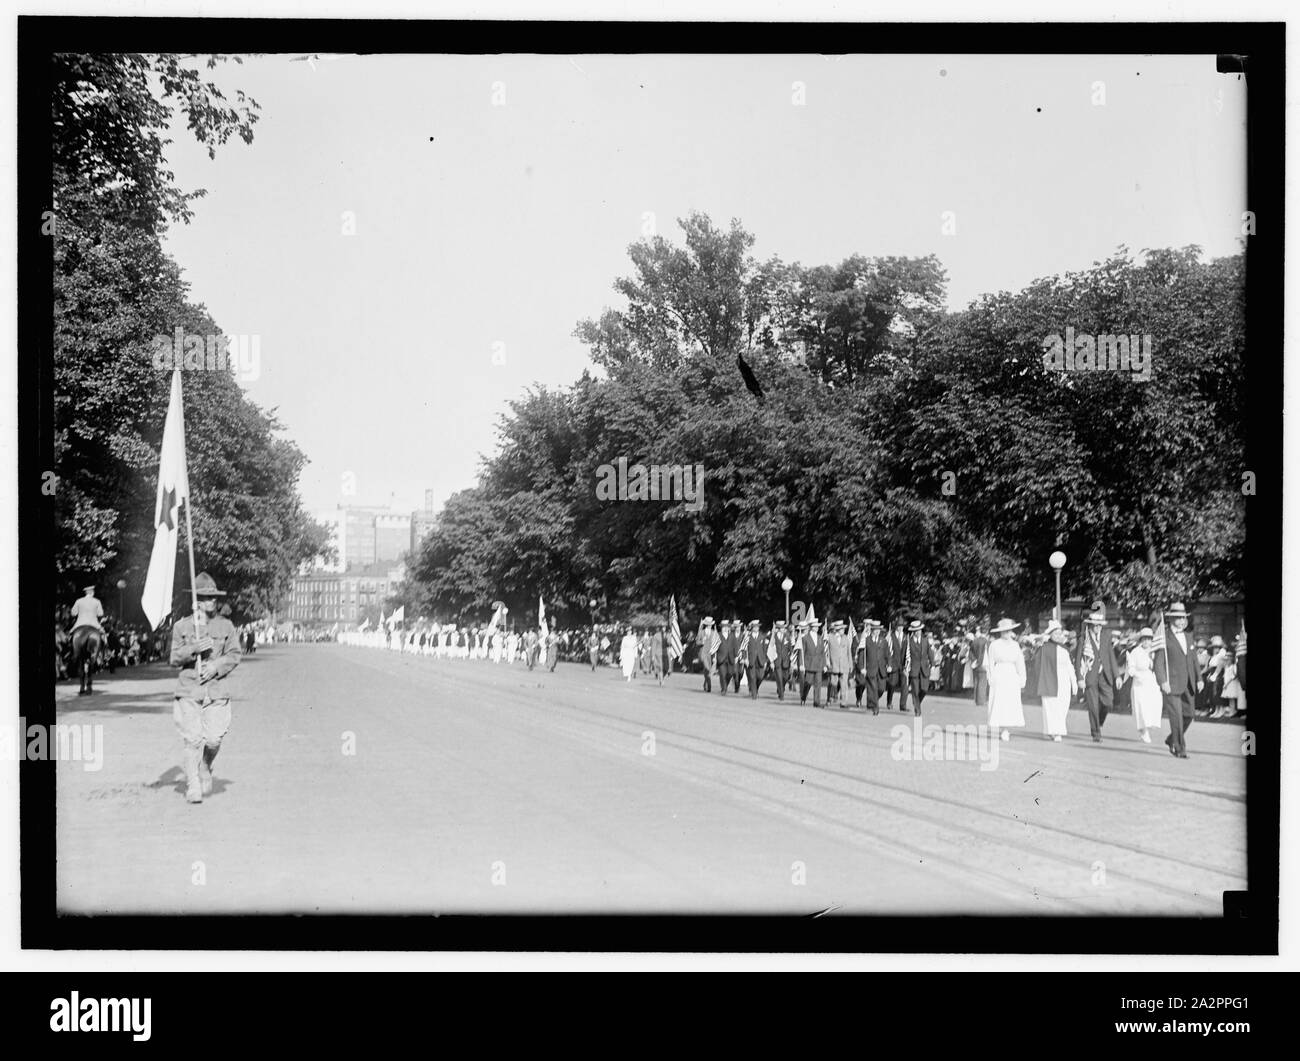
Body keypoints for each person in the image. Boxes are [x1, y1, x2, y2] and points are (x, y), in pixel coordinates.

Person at [169, 572, 242, 804]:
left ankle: (206, 765)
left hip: (216, 690)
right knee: (192, 740)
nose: (213, 602)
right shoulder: (181, 626)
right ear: (196, 601)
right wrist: (193, 648)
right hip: (189, 690)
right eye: (207, 598)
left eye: (214, 598)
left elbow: (235, 654)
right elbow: (173, 659)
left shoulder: (226, 625)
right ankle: (193, 785)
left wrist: (217, 666)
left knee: (213, 740)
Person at [1153, 602, 1203, 759]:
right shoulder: (1164, 637)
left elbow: (1193, 659)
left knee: (1189, 715)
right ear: (1171, 619)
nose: (1182, 621)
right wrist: (1162, 681)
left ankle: (1171, 739)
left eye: (1184, 618)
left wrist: (1199, 678)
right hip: (1171, 684)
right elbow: (1158, 662)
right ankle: (1180, 748)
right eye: (1179, 618)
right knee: (1176, 718)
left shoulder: (1188, 636)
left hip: (1188, 683)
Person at [1074, 607, 1116, 743]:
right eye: (1095, 625)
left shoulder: (1106, 637)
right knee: (1092, 705)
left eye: (1100, 625)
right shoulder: (1083, 639)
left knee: (1108, 702)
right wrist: (1080, 678)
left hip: (1104, 675)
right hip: (1090, 675)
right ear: (1090, 625)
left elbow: (1111, 656)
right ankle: (1096, 732)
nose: (1098, 627)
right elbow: (1078, 659)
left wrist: (1118, 676)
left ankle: (1100, 721)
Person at [1036, 620, 1077, 741]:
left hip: (1064, 681)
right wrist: (1039, 645)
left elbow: (1070, 666)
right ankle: (1055, 731)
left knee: (1063, 706)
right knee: (1051, 706)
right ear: (1050, 635)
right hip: (1050, 680)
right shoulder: (1044, 648)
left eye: (1060, 634)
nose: (1058, 636)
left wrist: (1074, 682)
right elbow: (1037, 663)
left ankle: (1057, 729)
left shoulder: (1065, 649)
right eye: (1055, 634)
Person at [986, 618, 1026, 741]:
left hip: (1011, 675)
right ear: (1000, 632)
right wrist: (990, 677)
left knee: (1010, 702)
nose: (1007, 634)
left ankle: (1006, 729)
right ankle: (1000, 725)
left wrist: (1022, 678)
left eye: (1009, 631)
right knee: (999, 701)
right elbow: (990, 662)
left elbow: (1020, 663)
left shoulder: (1015, 645)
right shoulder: (994, 645)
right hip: (999, 674)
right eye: (1004, 631)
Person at [1126, 628, 1163, 743]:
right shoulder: (1135, 652)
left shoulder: (1155, 651)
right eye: (1144, 639)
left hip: (1152, 682)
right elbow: (1131, 668)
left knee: (1153, 705)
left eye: (1149, 639)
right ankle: (1143, 731)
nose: (1147, 642)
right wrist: (1137, 675)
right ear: (1141, 640)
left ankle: (1148, 726)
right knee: (1141, 708)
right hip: (1139, 683)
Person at [899, 620, 932, 717]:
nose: (918, 632)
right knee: (915, 691)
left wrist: (933, 663)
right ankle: (917, 709)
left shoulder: (925, 640)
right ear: (913, 632)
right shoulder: (908, 642)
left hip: (924, 669)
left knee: (924, 689)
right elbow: (903, 656)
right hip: (913, 670)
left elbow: (929, 652)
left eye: (919, 630)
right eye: (916, 631)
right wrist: (903, 668)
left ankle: (916, 702)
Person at [799, 618, 826, 708]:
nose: (817, 628)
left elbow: (823, 653)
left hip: (818, 664)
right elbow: (801, 652)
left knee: (818, 684)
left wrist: (825, 664)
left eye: (818, 626)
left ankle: (816, 702)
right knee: (808, 682)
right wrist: (801, 664)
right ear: (811, 627)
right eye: (815, 626)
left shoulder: (820, 638)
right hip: (809, 663)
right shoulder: (805, 638)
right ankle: (803, 697)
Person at [825, 620, 851, 708]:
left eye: (844, 629)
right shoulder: (829, 637)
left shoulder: (845, 638)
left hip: (844, 665)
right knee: (833, 683)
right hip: (834, 665)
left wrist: (850, 664)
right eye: (842, 629)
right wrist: (827, 661)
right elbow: (826, 651)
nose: (843, 630)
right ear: (837, 629)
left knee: (844, 685)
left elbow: (848, 652)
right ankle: (829, 699)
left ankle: (844, 702)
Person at [883, 618, 906, 712]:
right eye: (899, 626)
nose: (900, 628)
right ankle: (889, 702)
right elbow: (887, 650)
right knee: (892, 684)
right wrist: (888, 664)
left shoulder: (906, 637)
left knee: (905, 685)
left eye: (902, 626)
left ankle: (903, 705)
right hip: (893, 663)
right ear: (896, 627)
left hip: (903, 664)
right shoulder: (891, 636)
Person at [770, 619, 793, 701]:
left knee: (786, 678)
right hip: (777, 661)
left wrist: (792, 660)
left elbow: (791, 649)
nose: (783, 629)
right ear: (778, 628)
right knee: (779, 678)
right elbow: (770, 649)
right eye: (781, 628)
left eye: (783, 628)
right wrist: (771, 661)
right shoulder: (773, 636)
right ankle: (781, 695)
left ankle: (780, 688)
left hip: (786, 661)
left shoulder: (787, 636)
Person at [743, 620, 767, 700]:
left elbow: (765, 649)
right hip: (751, 660)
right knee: (752, 677)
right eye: (754, 627)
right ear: (752, 628)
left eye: (757, 627)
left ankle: (755, 688)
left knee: (760, 677)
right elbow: (743, 648)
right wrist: (745, 658)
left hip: (760, 660)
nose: (756, 628)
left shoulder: (762, 637)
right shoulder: (747, 637)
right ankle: (754, 694)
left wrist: (766, 660)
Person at [697, 616, 719, 693]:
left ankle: (705, 683)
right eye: (708, 624)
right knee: (707, 668)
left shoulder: (714, 633)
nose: (709, 625)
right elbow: (697, 642)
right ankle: (709, 685)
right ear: (706, 624)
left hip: (711, 653)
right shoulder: (701, 632)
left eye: (710, 624)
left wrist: (714, 655)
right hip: (703, 653)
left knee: (708, 670)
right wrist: (701, 642)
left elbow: (716, 644)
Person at [716, 620, 738, 696]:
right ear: (721, 628)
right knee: (722, 674)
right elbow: (714, 647)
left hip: (730, 658)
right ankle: (724, 689)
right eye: (724, 627)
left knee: (730, 673)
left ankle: (725, 684)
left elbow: (735, 646)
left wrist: (736, 656)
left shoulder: (732, 636)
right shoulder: (718, 635)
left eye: (727, 627)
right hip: (721, 658)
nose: (725, 628)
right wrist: (714, 657)